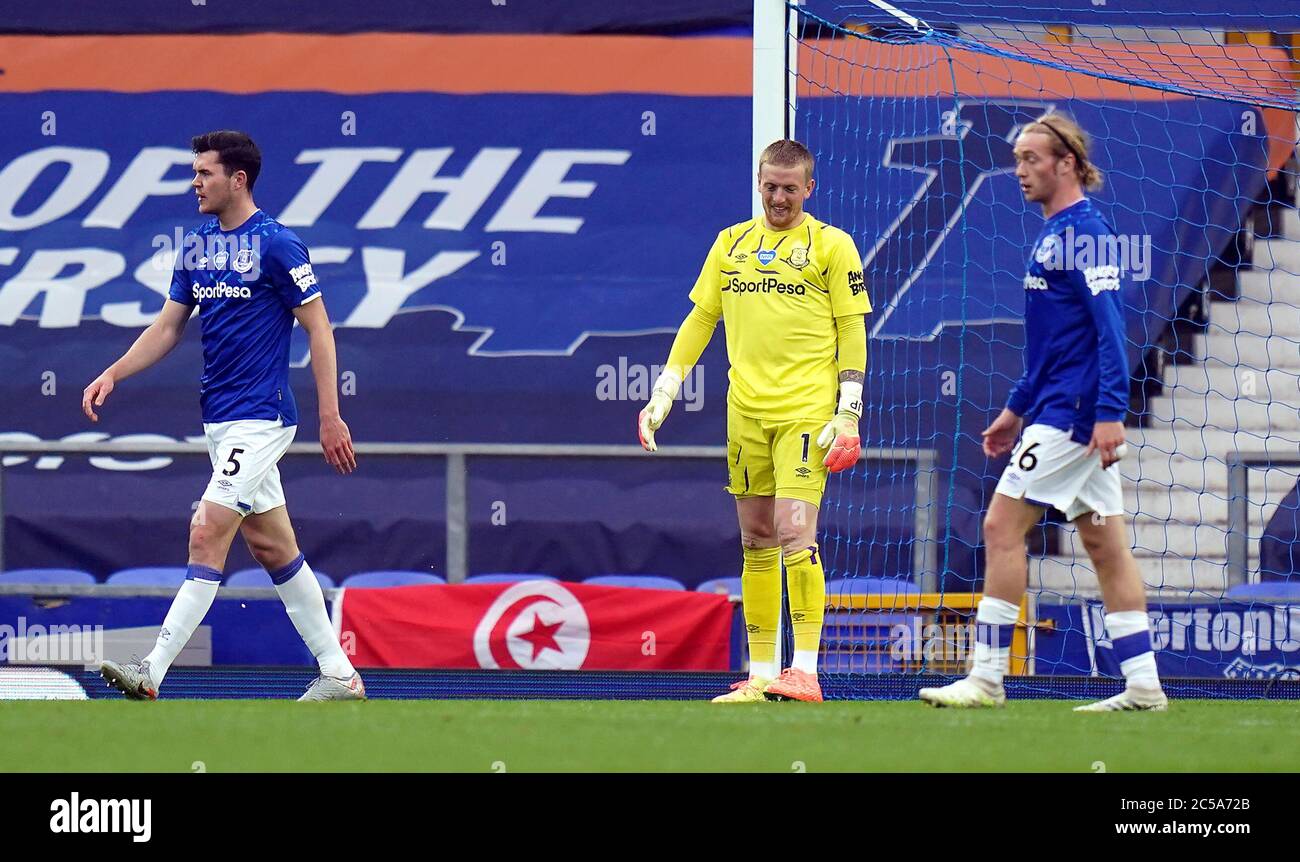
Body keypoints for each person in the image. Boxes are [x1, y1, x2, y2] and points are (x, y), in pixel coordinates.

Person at [84, 130, 364, 702]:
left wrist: (330, 415)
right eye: (194, 172)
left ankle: (151, 670)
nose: (195, 182)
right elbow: (168, 327)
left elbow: (320, 328)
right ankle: (339, 673)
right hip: (220, 418)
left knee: (206, 531)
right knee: (272, 547)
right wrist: (114, 372)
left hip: (262, 417)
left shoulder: (278, 244)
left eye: (205, 173)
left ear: (238, 179)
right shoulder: (196, 245)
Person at [919, 113, 1166, 712]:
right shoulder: (1054, 233)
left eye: (1032, 158)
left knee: (1001, 527)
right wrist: (1015, 408)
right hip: (1057, 406)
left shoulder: (1086, 234)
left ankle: (984, 678)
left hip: (1076, 415)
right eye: (1018, 158)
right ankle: (1143, 687)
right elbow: (1053, 344)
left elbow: (1113, 328)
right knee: (1107, 547)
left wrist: (1109, 411)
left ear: (1068, 164)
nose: (1020, 169)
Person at [639, 139, 870, 703]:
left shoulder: (832, 247)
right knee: (756, 538)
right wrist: (664, 392)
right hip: (745, 412)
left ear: (809, 189)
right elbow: (701, 319)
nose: (778, 198)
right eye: (769, 186)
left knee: (795, 531)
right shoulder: (731, 244)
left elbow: (852, 330)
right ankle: (762, 673)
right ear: (758, 183)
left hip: (807, 413)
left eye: (790, 188)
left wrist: (848, 412)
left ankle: (807, 671)